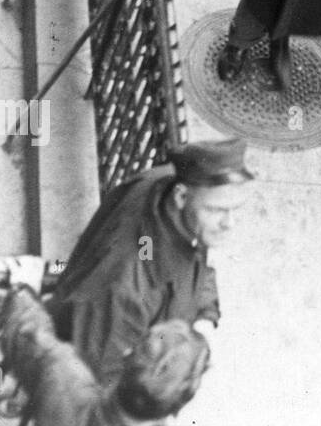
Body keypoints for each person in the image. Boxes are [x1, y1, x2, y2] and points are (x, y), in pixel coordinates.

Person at [2, 264, 210, 426]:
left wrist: (21, 290)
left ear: (126, 357)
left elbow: (31, 337)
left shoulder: (66, 380)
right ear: (177, 405)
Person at [47, 140, 254, 385]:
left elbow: (195, 262)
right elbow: (102, 383)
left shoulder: (169, 188)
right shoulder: (129, 287)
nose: (229, 223)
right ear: (181, 196)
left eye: (234, 210)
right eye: (217, 210)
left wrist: (206, 316)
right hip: (83, 357)